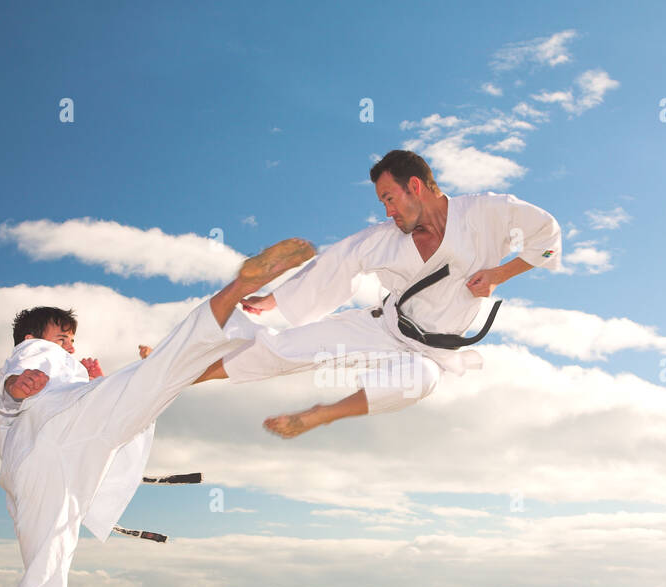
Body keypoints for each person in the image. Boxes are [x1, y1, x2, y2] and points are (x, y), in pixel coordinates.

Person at [0, 237, 314, 587]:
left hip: (67, 452)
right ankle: (227, 307)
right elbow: (4, 398)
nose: (67, 344)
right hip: (50, 446)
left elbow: (48, 400)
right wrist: (16, 389)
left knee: (45, 580)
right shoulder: (31, 352)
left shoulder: (63, 367)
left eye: (70, 338)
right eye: (61, 336)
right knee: (153, 377)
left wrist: (96, 384)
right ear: (32, 336)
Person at [192, 150, 561, 437]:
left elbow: (548, 238)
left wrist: (501, 273)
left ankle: (321, 415)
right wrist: (275, 299)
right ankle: (187, 371)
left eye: (390, 198)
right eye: (382, 203)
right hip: (383, 326)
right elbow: (336, 261)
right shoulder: (384, 238)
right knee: (287, 348)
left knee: (421, 381)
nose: (388, 212)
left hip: (435, 351)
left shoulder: (487, 212)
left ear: (415, 187)